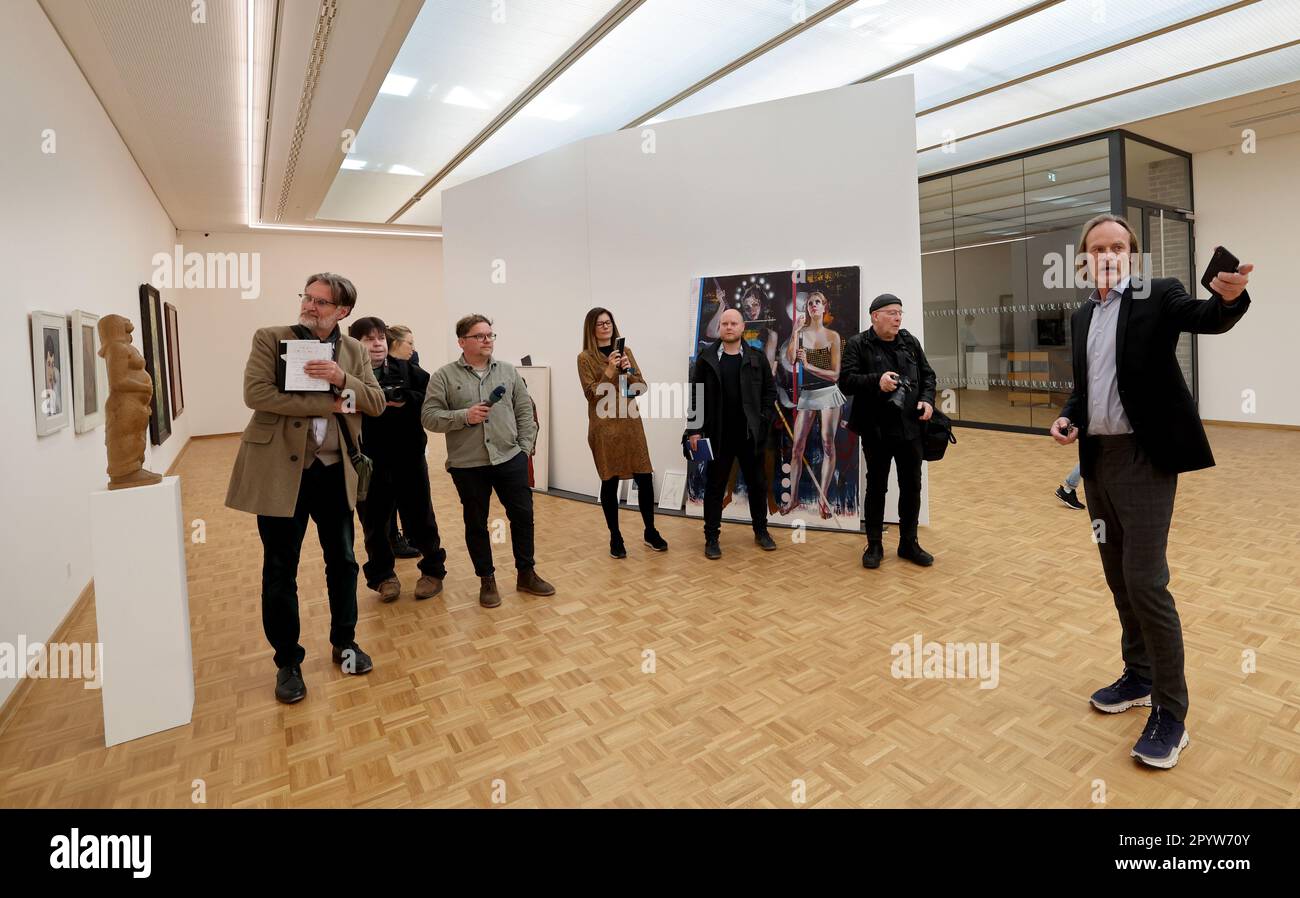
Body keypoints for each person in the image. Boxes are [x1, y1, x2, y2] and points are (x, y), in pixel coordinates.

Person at [1053, 213, 1252, 769]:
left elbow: (1207, 317)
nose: (1110, 254)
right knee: (1119, 579)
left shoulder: (1158, 293)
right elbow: (1085, 386)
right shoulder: (1082, 314)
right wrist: (1069, 417)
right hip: (1097, 461)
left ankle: (1172, 712)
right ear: (1084, 260)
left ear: (1132, 255)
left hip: (1145, 459)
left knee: (1147, 581)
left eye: (1119, 246)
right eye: (1098, 248)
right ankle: (1138, 676)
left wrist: (1230, 298)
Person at [225, 273, 385, 704]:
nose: (310, 306)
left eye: (321, 302)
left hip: (334, 472)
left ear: (342, 312)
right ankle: (288, 662)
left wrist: (341, 379)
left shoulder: (353, 350)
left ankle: (345, 644)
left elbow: (373, 402)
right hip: (281, 472)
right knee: (280, 570)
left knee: (344, 562)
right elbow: (257, 394)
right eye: (307, 298)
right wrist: (328, 403)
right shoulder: (270, 338)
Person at [421, 314, 555, 608]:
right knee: (476, 524)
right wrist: (463, 416)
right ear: (462, 342)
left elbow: (525, 412)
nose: (487, 341)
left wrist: (524, 448)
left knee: (522, 517)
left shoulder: (507, 372)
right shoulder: (443, 376)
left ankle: (526, 573)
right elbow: (429, 417)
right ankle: (487, 579)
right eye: (479, 336)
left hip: (510, 458)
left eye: (490, 335)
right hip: (468, 465)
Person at [347, 316, 448, 603]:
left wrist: (406, 398)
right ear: (355, 343)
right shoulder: (346, 376)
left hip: (408, 457)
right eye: (369, 339)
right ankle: (383, 577)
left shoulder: (409, 370)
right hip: (367, 461)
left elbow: (432, 400)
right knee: (374, 522)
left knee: (420, 516)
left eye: (380, 338)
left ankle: (432, 570)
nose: (377, 344)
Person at [841, 293, 937, 569]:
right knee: (877, 487)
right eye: (892, 313)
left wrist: (927, 400)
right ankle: (874, 545)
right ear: (875, 316)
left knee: (912, 487)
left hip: (911, 429)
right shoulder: (859, 344)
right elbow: (845, 382)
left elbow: (928, 376)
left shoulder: (909, 342)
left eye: (900, 313)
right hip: (876, 430)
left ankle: (909, 543)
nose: (897, 318)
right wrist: (876, 381)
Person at [684, 308, 778, 559]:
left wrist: (764, 419)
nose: (728, 327)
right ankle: (711, 538)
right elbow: (696, 397)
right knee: (714, 488)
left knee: (758, 486)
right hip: (718, 435)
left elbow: (770, 393)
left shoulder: (757, 357)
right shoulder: (707, 358)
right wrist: (694, 429)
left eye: (733, 323)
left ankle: (761, 532)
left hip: (750, 436)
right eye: (724, 323)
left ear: (742, 326)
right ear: (719, 328)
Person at [576, 308, 668, 558]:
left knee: (645, 477)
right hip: (604, 427)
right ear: (591, 329)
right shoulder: (584, 358)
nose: (606, 327)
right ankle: (615, 537)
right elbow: (592, 394)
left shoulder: (626, 352)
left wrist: (627, 371)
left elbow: (640, 388)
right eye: (600, 323)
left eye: (608, 322)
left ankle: (650, 531)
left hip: (630, 423)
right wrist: (609, 370)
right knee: (610, 480)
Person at [776, 290, 845, 518]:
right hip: (807, 395)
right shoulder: (801, 334)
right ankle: (793, 498)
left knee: (827, 444)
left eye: (817, 302)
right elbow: (790, 359)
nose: (813, 305)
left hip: (828, 394)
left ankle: (822, 500)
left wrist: (811, 366)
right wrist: (795, 332)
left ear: (824, 306)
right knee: (797, 447)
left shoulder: (833, 336)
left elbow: (835, 375)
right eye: (810, 303)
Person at [383, 323, 421, 558]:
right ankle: (392, 538)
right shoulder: (377, 368)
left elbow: (426, 394)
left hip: (411, 439)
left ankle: (412, 536)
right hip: (383, 442)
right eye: (410, 343)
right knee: (388, 497)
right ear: (395, 343)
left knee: (413, 494)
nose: (413, 348)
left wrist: (406, 398)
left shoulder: (413, 365)